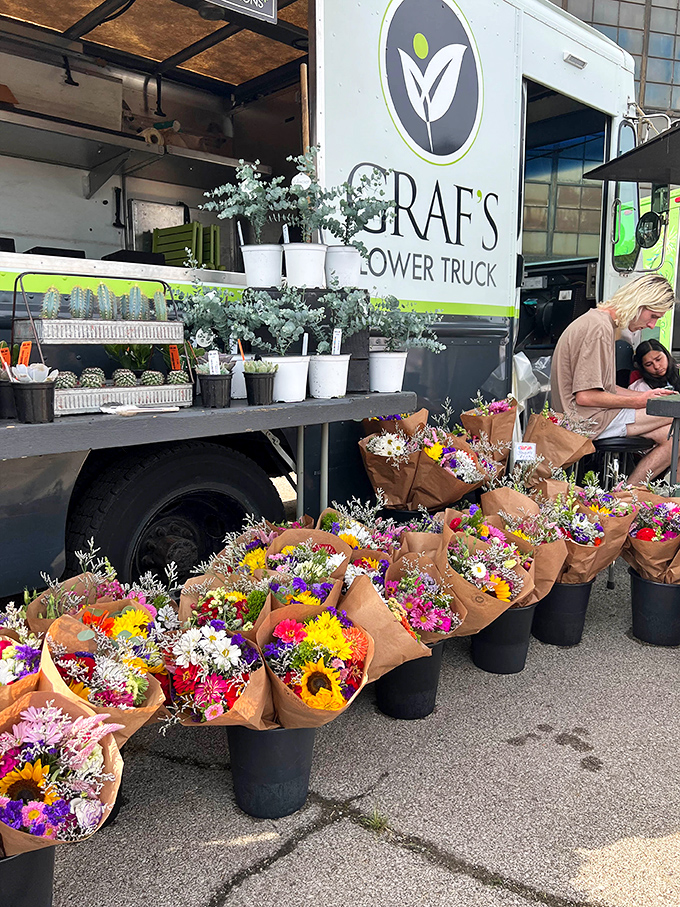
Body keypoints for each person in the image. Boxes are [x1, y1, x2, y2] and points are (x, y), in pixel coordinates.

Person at [551, 273, 677, 485]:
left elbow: (607, 388)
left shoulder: (599, 322)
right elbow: (586, 396)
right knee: (675, 412)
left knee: (674, 438)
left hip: (588, 417)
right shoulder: (599, 328)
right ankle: (626, 498)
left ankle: (624, 496)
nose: (652, 325)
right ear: (639, 303)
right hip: (586, 421)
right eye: (653, 316)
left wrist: (647, 395)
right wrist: (641, 401)